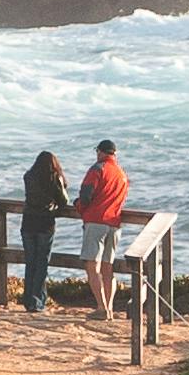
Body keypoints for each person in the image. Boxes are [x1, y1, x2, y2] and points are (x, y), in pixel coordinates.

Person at [74, 135, 128, 317]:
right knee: (108, 268)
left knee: (92, 266)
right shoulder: (121, 174)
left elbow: (86, 195)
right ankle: (109, 308)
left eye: (97, 151)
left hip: (96, 221)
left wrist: (79, 207)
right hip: (115, 223)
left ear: (100, 152)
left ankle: (101, 308)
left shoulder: (98, 169)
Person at [19, 143, 69, 315]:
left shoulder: (28, 176)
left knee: (30, 263)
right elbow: (64, 201)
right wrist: (61, 183)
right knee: (41, 263)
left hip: (28, 223)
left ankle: (28, 300)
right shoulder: (53, 178)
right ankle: (37, 301)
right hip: (45, 224)